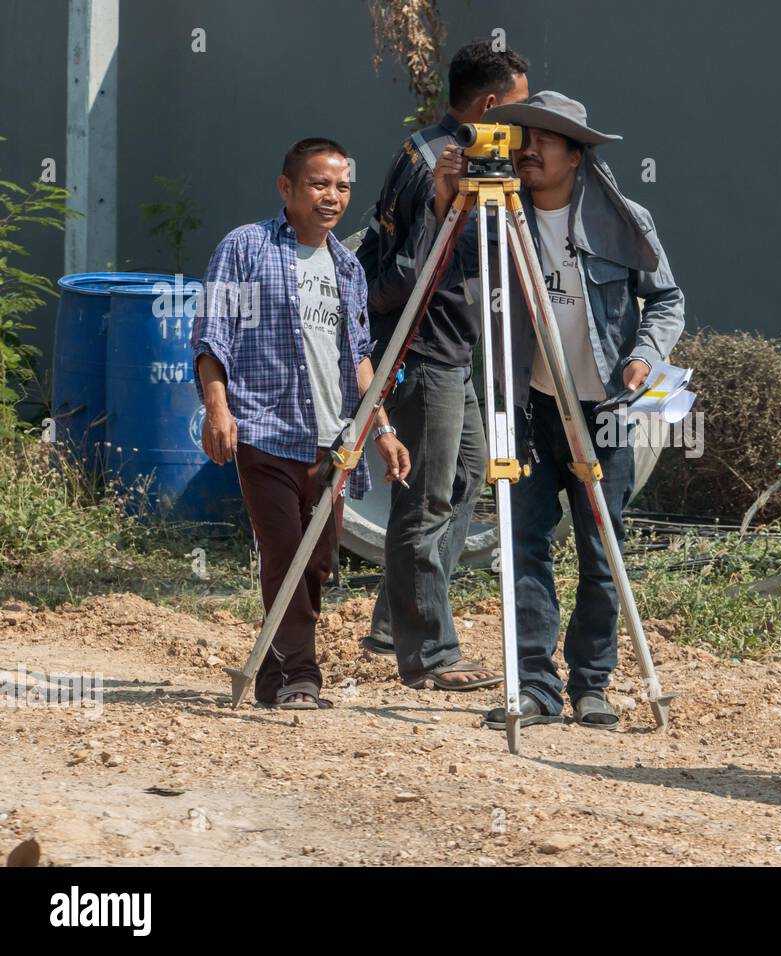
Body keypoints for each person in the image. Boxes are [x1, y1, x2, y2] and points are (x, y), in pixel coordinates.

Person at [448, 91, 685, 730]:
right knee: (523, 545)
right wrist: (453, 201)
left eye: (543, 139)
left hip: (603, 409)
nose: (527, 149)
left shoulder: (624, 221)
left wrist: (644, 354)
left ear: (576, 154)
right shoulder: (495, 220)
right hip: (526, 408)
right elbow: (448, 277)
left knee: (601, 550)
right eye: (521, 135)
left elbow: (666, 300)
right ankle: (535, 687)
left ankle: (592, 682)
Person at [192, 137, 410, 709]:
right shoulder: (245, 248)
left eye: (341, 187)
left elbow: (361, 356)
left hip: (333, 440)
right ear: (286, 187)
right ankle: (303, 675)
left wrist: (382, 429)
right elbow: (213, 335)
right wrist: (217, 408)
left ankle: (270, 673)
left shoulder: (347, 267)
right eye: (318, 184)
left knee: (316, 561)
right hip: (266, 430)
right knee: (286, 551)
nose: (331, 197)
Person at [355, 40, 529, 690]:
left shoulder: (456, 156)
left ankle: (396, 614)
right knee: (426, 500)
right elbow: (396, 276)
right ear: (487, 106)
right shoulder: (431, 164)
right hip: (424, 351)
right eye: (517, 109)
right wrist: (441, 203)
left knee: (469, 473)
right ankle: (429, 654)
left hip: (455, 348)